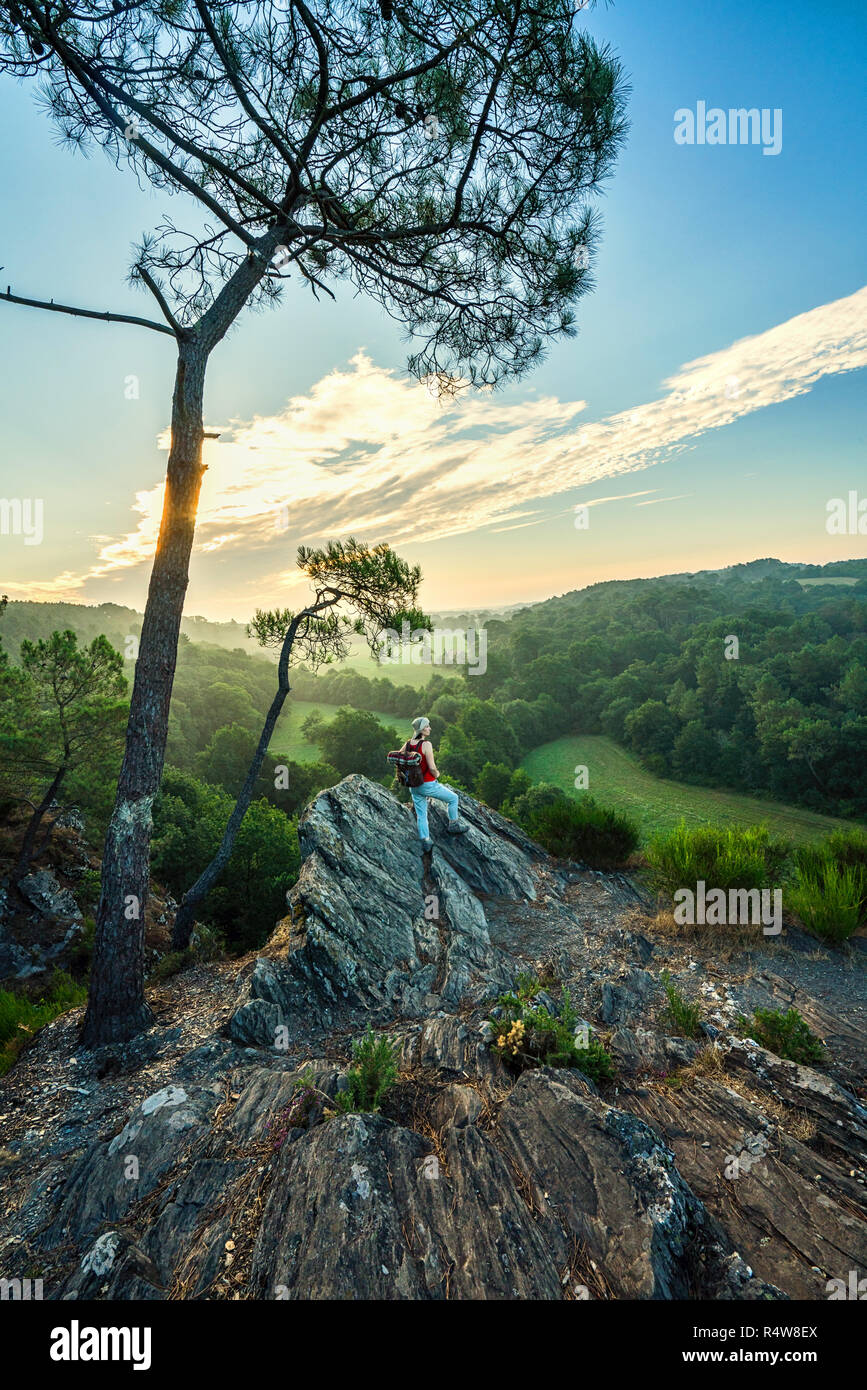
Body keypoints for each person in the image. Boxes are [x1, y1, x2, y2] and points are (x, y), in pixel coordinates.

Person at [404, 716, 468, 851]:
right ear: (421, 729)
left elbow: (400, 757)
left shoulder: (408, 744)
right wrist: (437, 774)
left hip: (414, 786)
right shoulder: (426, 745)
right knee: (453, 798)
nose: (430, 728)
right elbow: (432, 767)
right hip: (428, 784)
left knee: (422, 815)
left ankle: (425, 841)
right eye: (427, 726)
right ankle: (453, 825)